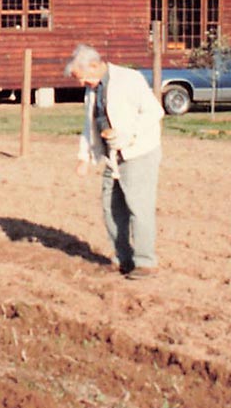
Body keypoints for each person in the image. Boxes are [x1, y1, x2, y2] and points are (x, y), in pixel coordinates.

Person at [66, 43, 164, 280]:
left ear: (94, 65)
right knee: (110, 207)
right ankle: (123, 259)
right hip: (112, 156)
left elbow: (154, 112)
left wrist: (128, 135)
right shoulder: (93, 89)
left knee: (138, 207)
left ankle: (146, 263)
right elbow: (90, 125)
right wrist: (84, 157)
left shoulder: (129, 79)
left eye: (82, 77)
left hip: (138, 153)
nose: (81, 83)